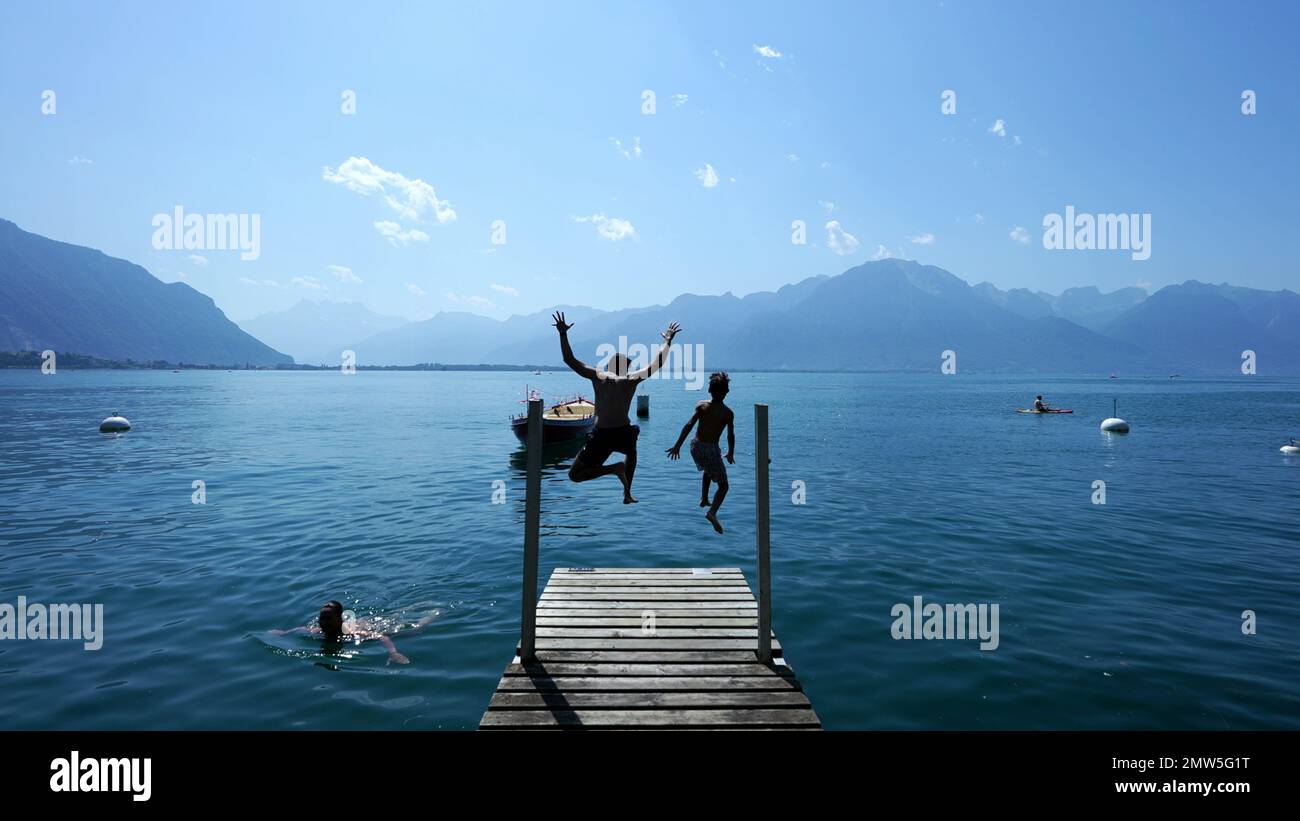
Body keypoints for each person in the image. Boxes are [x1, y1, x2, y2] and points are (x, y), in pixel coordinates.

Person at [552, 311, 681, 504]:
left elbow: (569, 360)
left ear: (610, 366)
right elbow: (658, 363)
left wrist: (563, 334)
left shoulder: (598, 376)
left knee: (575, 475)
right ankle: (627, 492)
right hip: (623, 431)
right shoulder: (631, 380)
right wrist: (668, 341)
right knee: (631, 451)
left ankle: (614, 469)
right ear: (626, 368)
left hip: (602, 433)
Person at [666, 372, 736, 534]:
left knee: (708, 469)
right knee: (724, 486)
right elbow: (730, 435)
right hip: (711, 449)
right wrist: (731, 452)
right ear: (726, 392)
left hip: (695, 447)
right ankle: (712, 513)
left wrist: (677, 446)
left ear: (710, 390)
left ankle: (704, 498)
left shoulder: (702, 405)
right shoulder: (728, 413)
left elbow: (688, 425)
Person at [271, 600, 434, 665]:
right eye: (321, 617)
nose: (323, 621)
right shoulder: (318, 630)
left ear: (339, 619)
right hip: (357, 622)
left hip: (369, 626)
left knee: (415, 630)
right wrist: (284, 633)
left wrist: (393, 652)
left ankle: (431, 614)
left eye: (328, 618)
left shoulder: (351, 634)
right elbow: (302, 628)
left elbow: (381, 636)